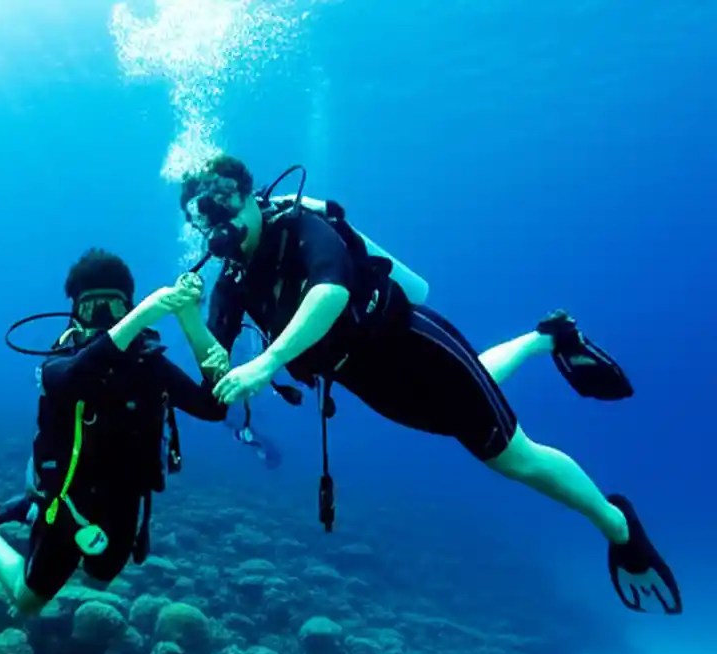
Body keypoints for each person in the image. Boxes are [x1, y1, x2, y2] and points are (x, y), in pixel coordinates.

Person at [172, 154, 682, 615]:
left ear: (251, 195)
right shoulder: (233, 282)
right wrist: (191, 320)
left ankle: (619, 527)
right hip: (369, 381)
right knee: (458, 417)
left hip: (420, 348)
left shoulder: (301, 227)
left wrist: (264, 364)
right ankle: (544, 339)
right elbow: (216, 380)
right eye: (207, 218)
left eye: (228, 207)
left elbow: (330, 290)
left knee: (514, 457)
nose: (222, 227)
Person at [0, 249, 227, 614]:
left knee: (99, 576)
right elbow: (72, 380)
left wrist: (191, 322)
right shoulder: (60, 361)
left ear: (128, 307)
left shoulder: (150, 367)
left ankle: (23, 510)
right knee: (28, 602)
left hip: (124, 501)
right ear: (75, 314)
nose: (104, 319)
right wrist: (144, 315)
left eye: (114, 307)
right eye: (93, 308)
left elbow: (213, 407)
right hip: (65, 500)